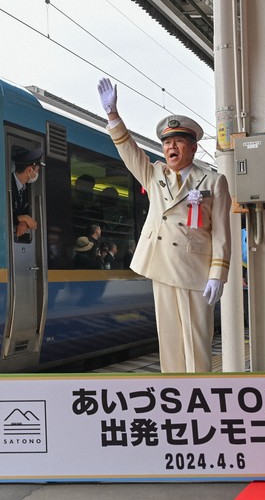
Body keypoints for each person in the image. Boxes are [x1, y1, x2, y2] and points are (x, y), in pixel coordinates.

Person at [97, 78, 231, 373]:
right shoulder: (154, 174)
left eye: (178, 141)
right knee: (169, 338)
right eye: (167, 143)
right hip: (161, 265)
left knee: (196, 341)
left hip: (194, 271)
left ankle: (200, 394)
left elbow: (222, 231)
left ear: (193, 147)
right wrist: (113, 117)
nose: (171, 147)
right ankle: (174, 391)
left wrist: (218, 274)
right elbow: (129, 152)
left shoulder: (212, 181)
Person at [12, 147, 44, 242]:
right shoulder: (7, 184)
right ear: (30, 170)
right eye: (37, 170)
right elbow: (1, 215)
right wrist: (24, 218)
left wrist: (23, 222)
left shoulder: (25, 188)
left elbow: (21, 212)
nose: (37, 173)